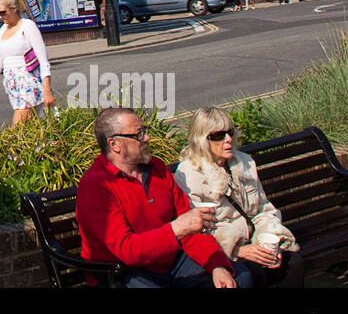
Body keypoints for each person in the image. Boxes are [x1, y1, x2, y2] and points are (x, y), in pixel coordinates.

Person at [75, 107, 246, 288]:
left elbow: (190, 230)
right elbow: (127, 250)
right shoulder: (95, 186)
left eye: (145, 131)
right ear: (114, 144)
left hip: (171, 261)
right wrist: (177, 229)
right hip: (123, 272)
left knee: (240, 278)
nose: (147, 138)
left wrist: (217, 265)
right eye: (138, 134)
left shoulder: (157, 167)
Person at [174, 107, 303, 288]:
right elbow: (198, 230)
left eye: (229, 133)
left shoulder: (244, 163)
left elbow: (264, 209)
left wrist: (269, 240)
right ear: (202, 139)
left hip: (255, 240)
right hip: (224, 252)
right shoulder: (188, 174)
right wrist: (238, 251)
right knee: (252, 273)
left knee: (293, 263)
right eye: (218, 135)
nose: (227, 140)